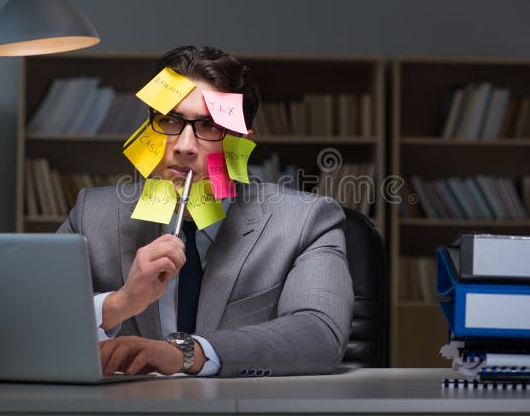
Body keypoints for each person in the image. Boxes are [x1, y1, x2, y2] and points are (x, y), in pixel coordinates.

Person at [58, 45, 353, 377]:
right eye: (168, 120)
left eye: (210, 127)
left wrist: (187, 354)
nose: (184, 146)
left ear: (240, 143)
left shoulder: (305, 222)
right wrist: (118, 304)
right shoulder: (91, 216)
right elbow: (28, 321)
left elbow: (319, 333)